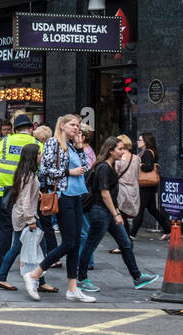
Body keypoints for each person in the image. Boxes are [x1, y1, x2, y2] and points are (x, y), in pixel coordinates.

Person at [75, 137, 159, 293]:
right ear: (111, 150)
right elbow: (104, 193)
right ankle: (80, 279)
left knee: (125, 243)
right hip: (101, 212)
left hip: (109, 211)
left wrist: (116, 212)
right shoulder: (103, 168)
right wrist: (116, 214)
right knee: (90, 245)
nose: (123, 152)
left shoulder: (108, 166)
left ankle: (137, 277)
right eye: (120, 149)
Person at [24, 115, 91, 302]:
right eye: (73, 125)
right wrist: (68, 172)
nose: (77, 128)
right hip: (62, 196)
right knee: (68, 242)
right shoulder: (53, 143)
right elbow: (44, 169)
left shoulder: (72, 145)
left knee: (75, 243)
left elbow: (86, 166)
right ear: (62, 125)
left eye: (78, 125)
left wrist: (79, 147)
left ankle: (72, 288)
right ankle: (34, 274)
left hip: (76, 195)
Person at [0, 114, 41, 270]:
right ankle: (27, 261)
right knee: (26, 226)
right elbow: (39, 167)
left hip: (3, 191)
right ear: (31, 127)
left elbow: (0, 160)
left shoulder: (4, 141)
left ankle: (1, 261)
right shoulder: (37, 143)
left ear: (15, 129)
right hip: (26, 191)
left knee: (5, 227)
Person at [130, 133, 172, 240]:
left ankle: (132, 235)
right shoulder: (145, 152)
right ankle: (168, 230)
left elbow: (148, 167)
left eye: (140, 140)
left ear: (146, 142)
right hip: (148, 185)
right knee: (152, 209)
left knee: (139, 210)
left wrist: (139, 165)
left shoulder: (148, 153)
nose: (137, 142)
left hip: (146, 185)